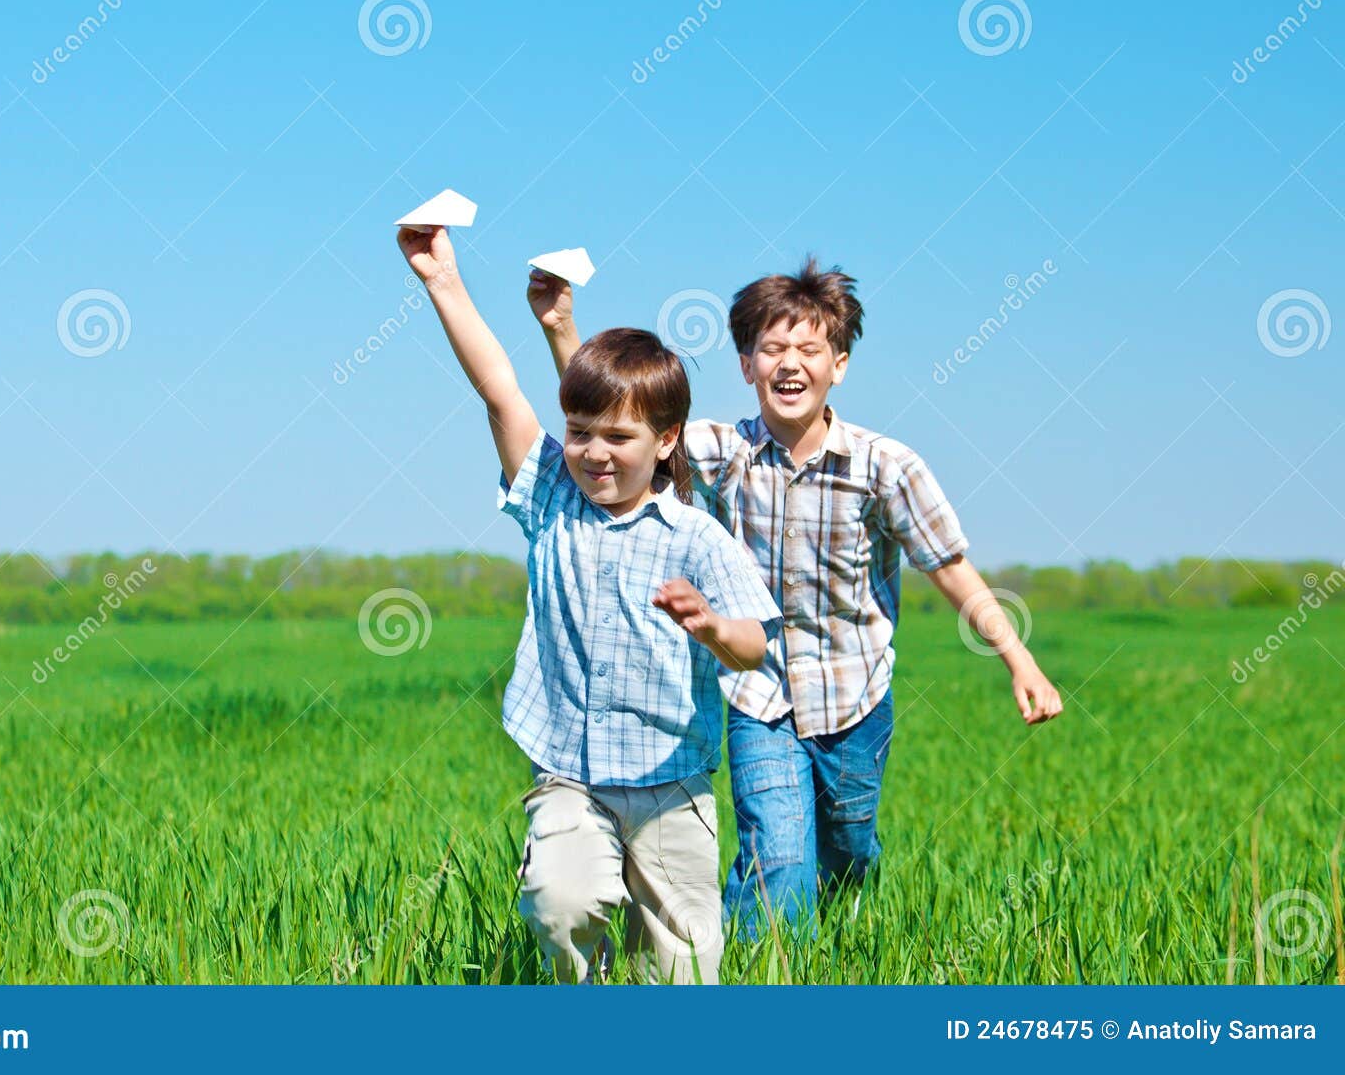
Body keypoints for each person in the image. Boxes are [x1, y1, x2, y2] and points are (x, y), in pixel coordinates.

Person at [528, 257, 1064, 940]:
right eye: (772, 348)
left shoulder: (884, 467)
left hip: (855, 695)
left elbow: (950, 568)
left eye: (809, 349)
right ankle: (766, 972)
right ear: (746, 365)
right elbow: (616, 419)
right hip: (761, 695)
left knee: (848, 846)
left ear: (839, 364)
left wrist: (1019, 659)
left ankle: (838, 923)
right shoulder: (722, 451)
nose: (789, 363)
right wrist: (562, 328)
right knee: (778, 858)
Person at [397, 224, 782, 983]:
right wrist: (443, 281)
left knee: (683, 968)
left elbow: (753, 646)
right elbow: (499, 390)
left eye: (618, 437)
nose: (594, 452)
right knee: (560, 901)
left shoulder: (696, 537)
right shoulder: (551, 498)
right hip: (569, 773)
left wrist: (709, 625)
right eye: (579, 432)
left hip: (673, 785)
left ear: (666, 440)